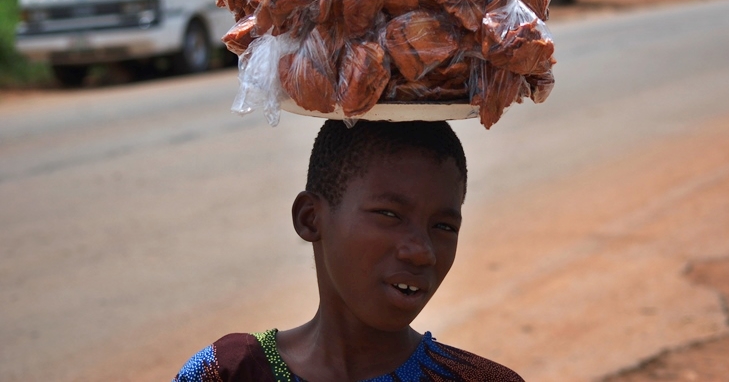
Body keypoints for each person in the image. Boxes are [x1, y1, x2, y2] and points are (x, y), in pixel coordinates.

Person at [174, 120, 524, 381]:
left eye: (444, 227)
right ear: (311, 218)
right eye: (389, 215)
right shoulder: (227, 372)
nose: (422, 252)